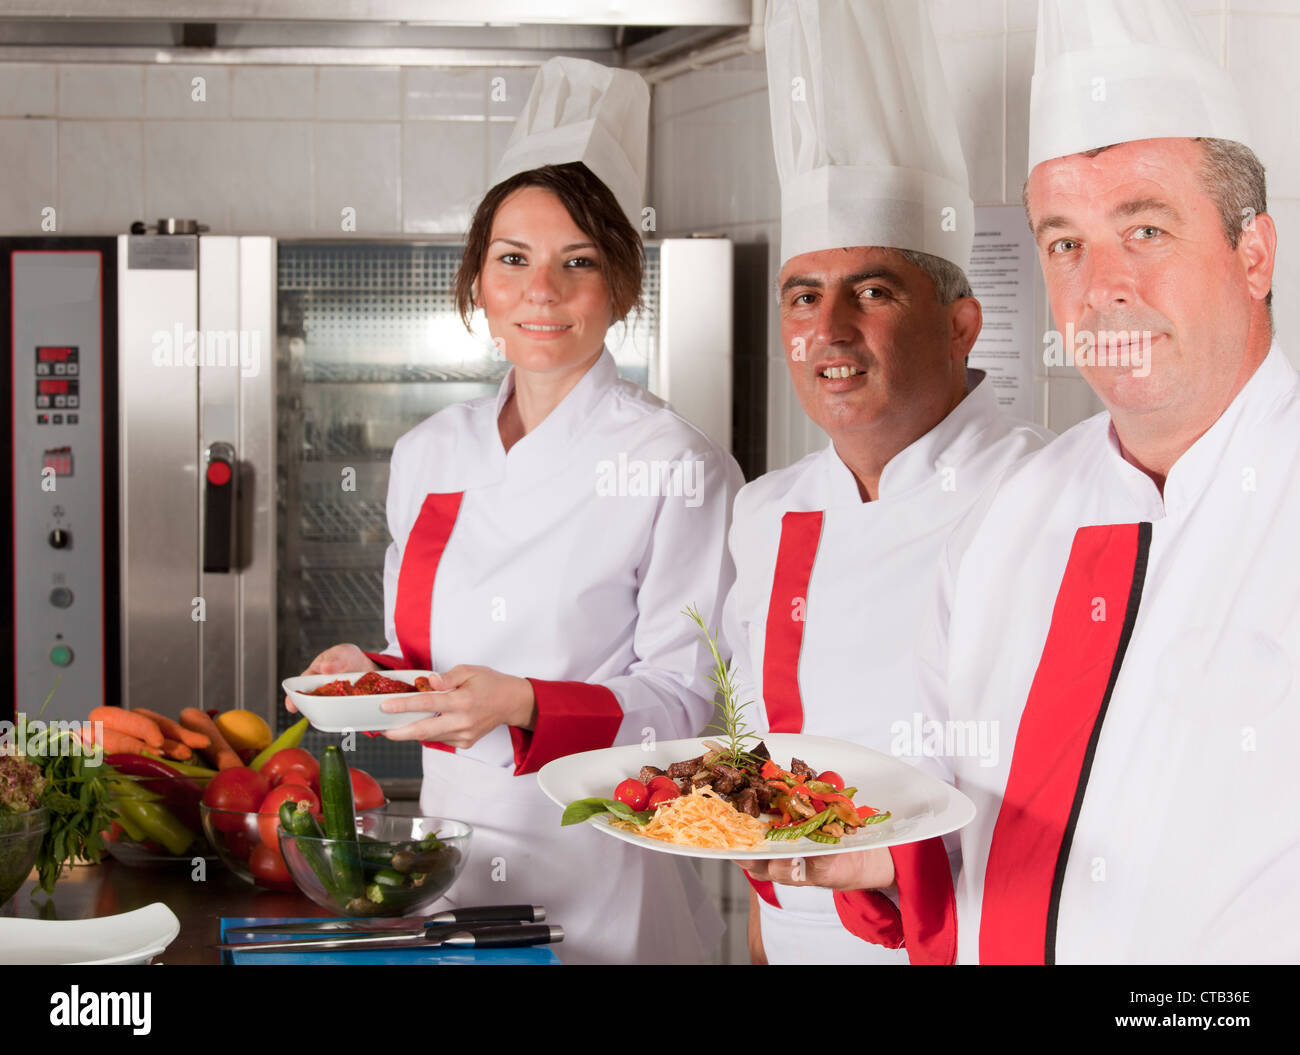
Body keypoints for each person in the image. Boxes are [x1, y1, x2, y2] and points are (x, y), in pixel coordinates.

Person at [793, 0, 1296, 963]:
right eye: (1065, 241)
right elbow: (967, 818)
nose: (1099, 283)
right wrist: (881, 858)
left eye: (1143, 229)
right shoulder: (1008, 515)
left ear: (1254, 253)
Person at [289, 58, 742, 964]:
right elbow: (429, 669)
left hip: (611, 870)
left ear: (618, 285)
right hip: (450, 862)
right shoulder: (429, 453)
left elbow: (690, 706)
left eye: (578, 262)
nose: (542, 291)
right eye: (514, 259)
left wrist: (525, 704)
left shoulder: (675, 464)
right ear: (478, 281)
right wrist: (366, 676)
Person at [725, 0, 1052, 965]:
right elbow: (764, 752)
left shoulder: (1045, 493)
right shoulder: (767, 511)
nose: (829, 329)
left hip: (975, 934)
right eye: (802, 295)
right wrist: (766, 929)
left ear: (959, 324)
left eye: (872, 291)